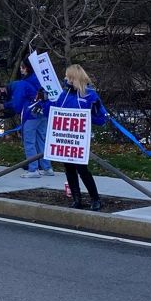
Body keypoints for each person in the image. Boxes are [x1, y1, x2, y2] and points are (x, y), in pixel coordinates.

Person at [48, 65, 107, 210]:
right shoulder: (64, 94)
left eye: (68, 77)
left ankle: (95, 198)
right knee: (68, 168)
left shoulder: (90, 95)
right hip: (66, 138)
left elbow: (101, 118)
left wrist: (95, 111)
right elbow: (54, 110)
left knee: (82, 169)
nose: (65, 79)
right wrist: (43, 104)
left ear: (74, 78)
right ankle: (76, 199)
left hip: (80, 140)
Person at [5, 57, 53, 177]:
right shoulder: (42, 79)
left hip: (30, 114)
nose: (21, 69)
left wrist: (6, 106)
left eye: (22, 67)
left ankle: (33, 169)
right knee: (41, 140)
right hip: (43, 112)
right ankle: (47, 167)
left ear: (26, 69)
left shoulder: (23, 83)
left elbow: (18, 102)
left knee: (29, 141)